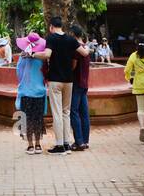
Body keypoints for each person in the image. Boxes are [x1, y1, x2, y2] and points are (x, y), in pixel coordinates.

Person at [33, 16, 87, 155]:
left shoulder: (51, 38)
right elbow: (85, 52)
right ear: (61, 26)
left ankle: (59, 146)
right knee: (66, 112)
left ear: (51, 26)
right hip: (69, 81)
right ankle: (66, 144)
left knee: (57, 113)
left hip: (55, 80)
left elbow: (47, 55)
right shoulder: (70, 39)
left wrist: (33, 54)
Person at [15, 32, 48, 155]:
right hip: (39, 91)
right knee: (38, 118)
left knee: (27, 119)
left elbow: (18, 73)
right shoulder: (42, 58)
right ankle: (38, 145)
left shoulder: (22, 57)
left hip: (26, 91)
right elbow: (46, 73)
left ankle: (30, 146)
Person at [68, 24, 92, 151]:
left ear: (72, 34)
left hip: (76, 83)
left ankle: (79, 142)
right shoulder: (85, 48)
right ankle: (85, 141)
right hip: (84, 84)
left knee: (74, 111)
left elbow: (73, 66)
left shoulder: (76, 49)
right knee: (84, 113)